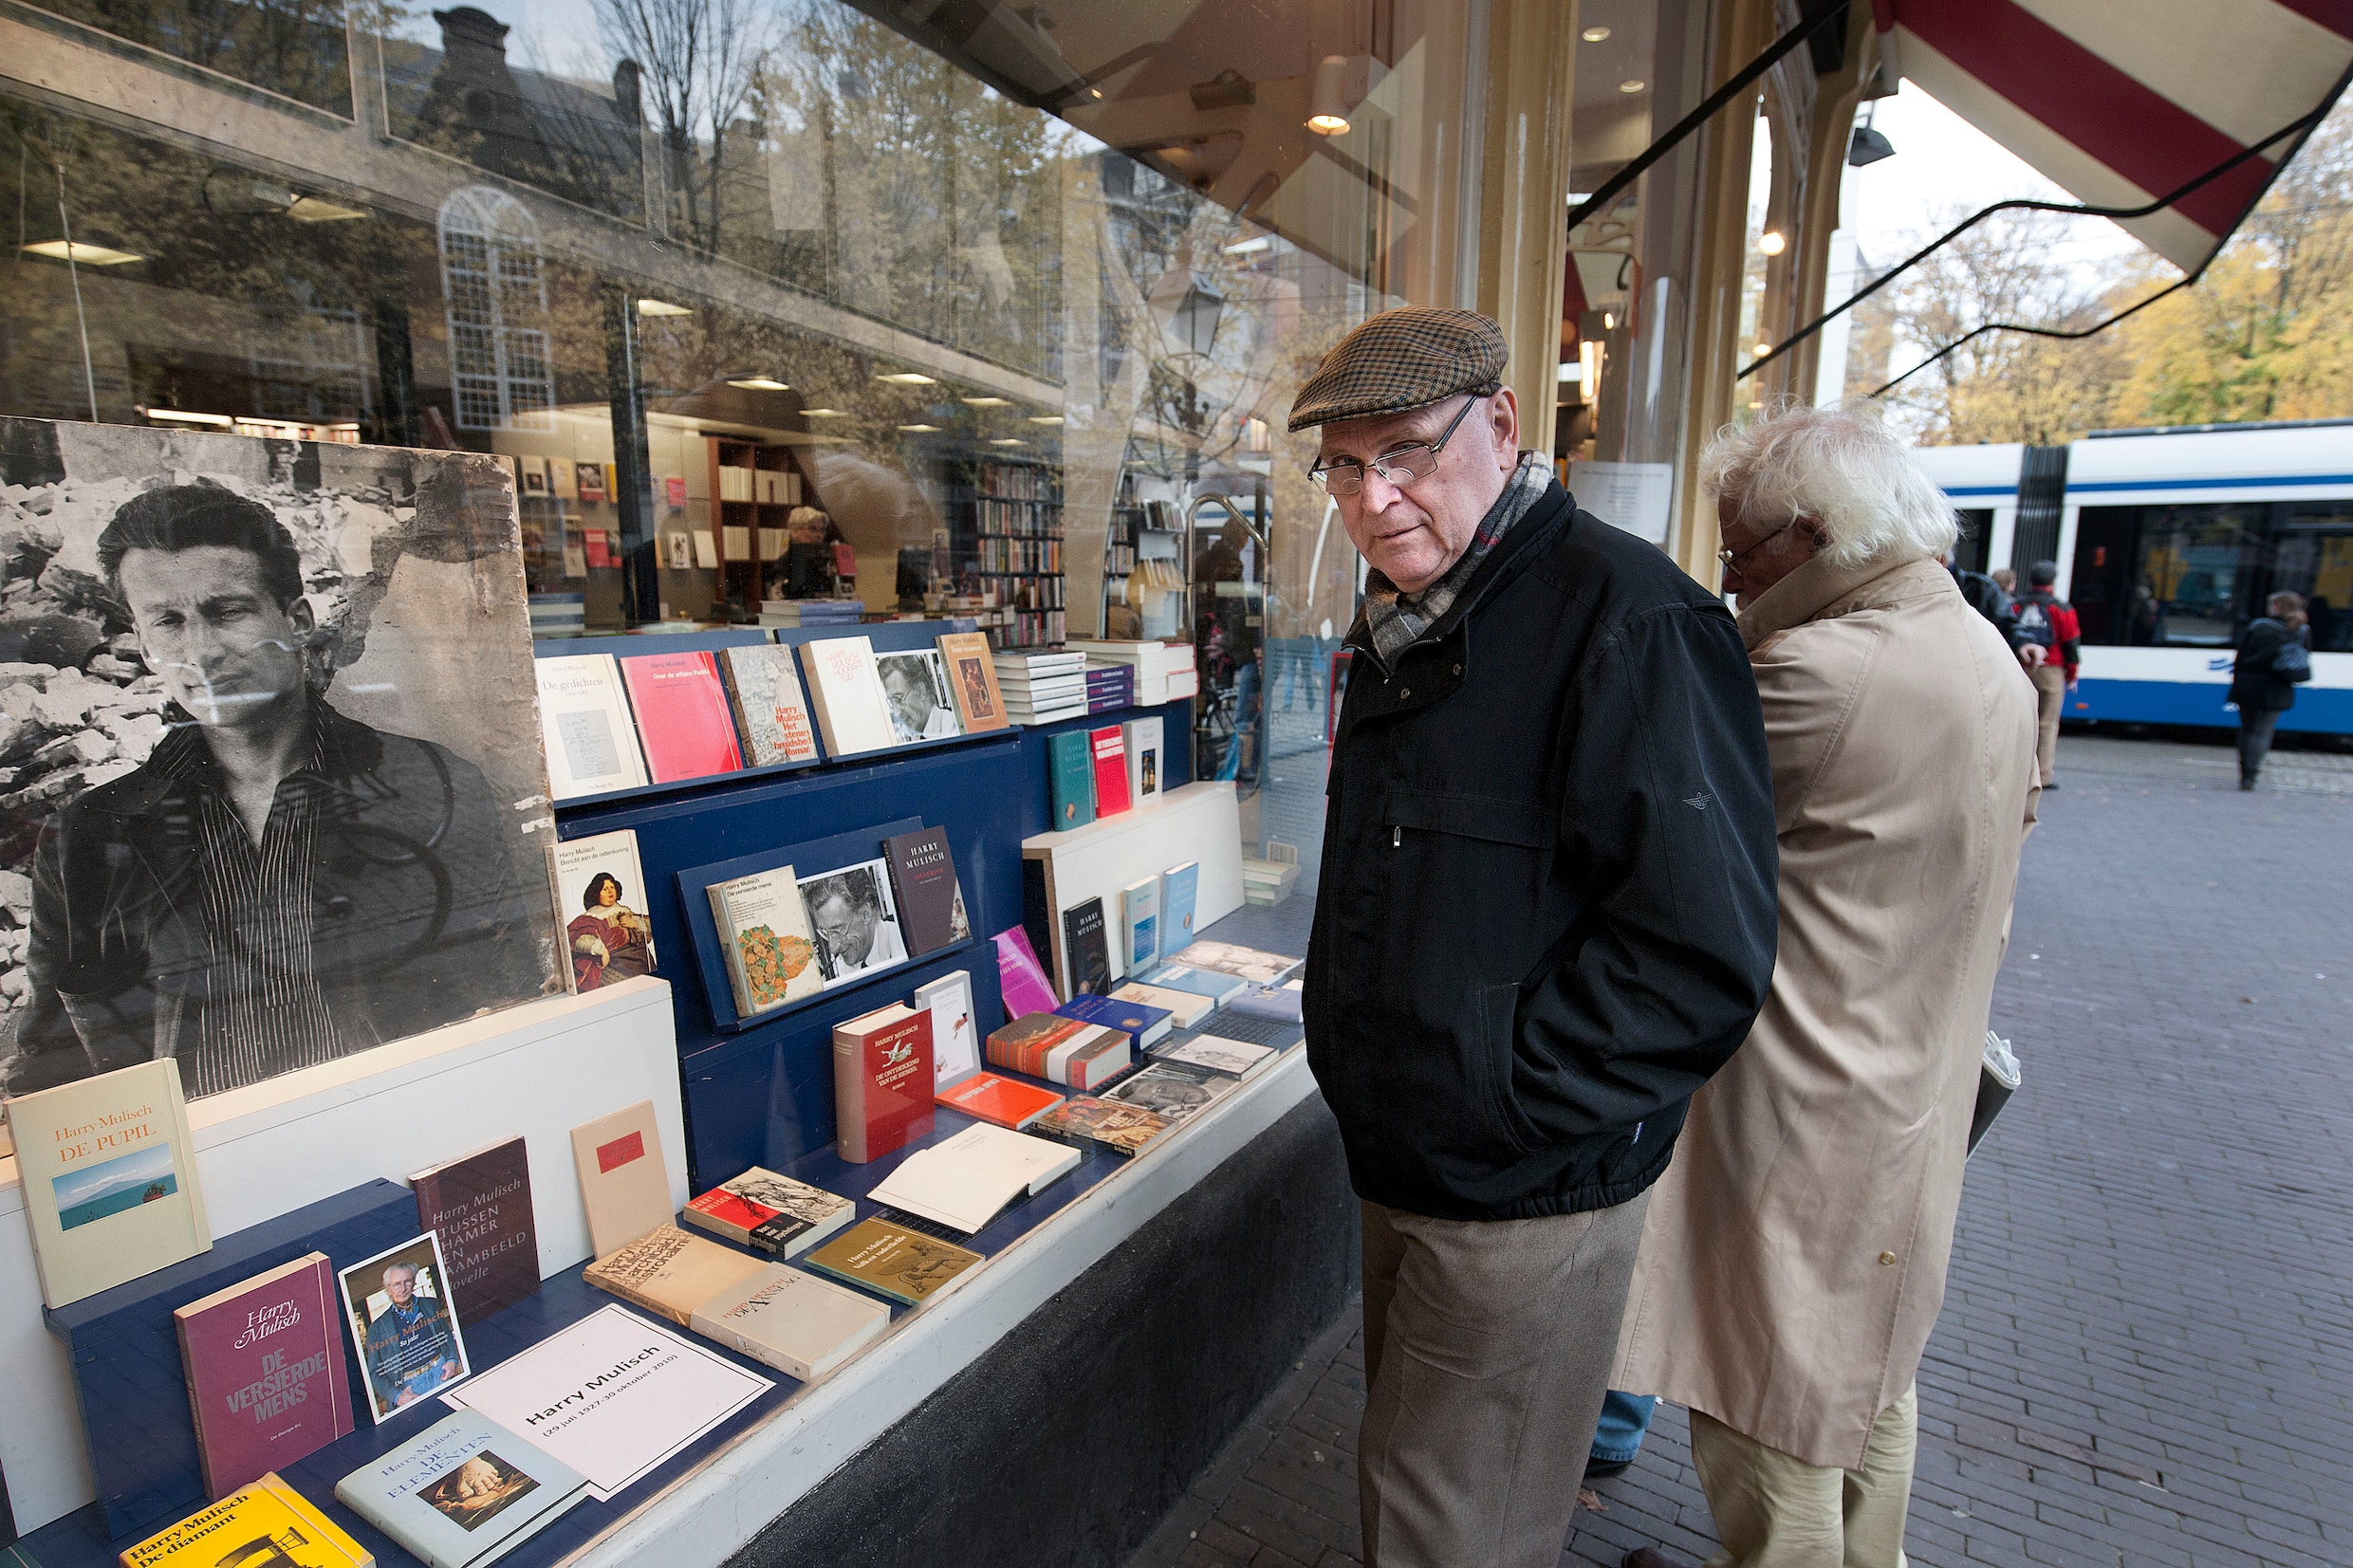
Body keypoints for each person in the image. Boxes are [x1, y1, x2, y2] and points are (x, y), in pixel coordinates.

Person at [1293, 307, 1779, 1568]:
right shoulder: (1421, 613)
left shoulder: (1630, 619)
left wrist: (1500, 1099)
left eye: (1404, 449)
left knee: (1450, 1525)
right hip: (1414, 1156)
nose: (1373, 495)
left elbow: (1699, 957)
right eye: (1344, 465)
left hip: (1518, 1184)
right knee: (1421, 1485)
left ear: (1502, 426)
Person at [1614, 404, 2037, 1568]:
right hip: (1909, 1079)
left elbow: (1636, 837)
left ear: (1808, 536)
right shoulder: (1979, 653)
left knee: (1762, 1399)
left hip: (1801, 1099)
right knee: (1866, 1380)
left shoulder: (1817, 670)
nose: (1730, 583)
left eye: (1738, 556)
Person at [9, 484, 541, 1099]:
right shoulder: (89, 834)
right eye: (169, 621)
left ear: (297, 622)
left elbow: (510, 1008)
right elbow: (50, 1068)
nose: (201, 650)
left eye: (227, 610)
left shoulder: (432, 784)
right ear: (146, 645)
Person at [2231, 591, 2311, 789]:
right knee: (2263, 732)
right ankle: (2253, 774)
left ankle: (2244, 773)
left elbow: (2242, 656)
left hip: (2249, 683)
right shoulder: (2302, 630)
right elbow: (2303, 657)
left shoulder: (2259, 627)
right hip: (2278, 686)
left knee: (2247, 730)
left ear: (2278, 607)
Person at [2012, 561, 2082, 789]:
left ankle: (2014, 772)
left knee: (2018, 722)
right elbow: (2071, 644)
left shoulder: (2016, 606)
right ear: (2052, 581)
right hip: (2050, 669)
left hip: (2019, 667)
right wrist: (2072, 674)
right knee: (2046, 724)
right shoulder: (2061, 608)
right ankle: (2041, 776)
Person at [363, 1261, 463, 1414]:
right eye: (396, 1284)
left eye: (407, 1282)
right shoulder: (377, 1328)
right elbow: (374, 1373)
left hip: (441, 1373)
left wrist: (451, 1360)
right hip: (410, 1388)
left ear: (414, 1283)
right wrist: (397, 1396)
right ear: (388, 1290)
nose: (402, 1289)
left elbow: (446, 1335)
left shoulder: (430, 1304)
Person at [806, 869, 906, 981]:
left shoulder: (903, 944)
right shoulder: (849, 959)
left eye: (837, 931)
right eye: (826, 933)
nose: (833, 948)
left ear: (865, 914)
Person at [569, 872, 654, 989]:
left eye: (612, 887)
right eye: (605, 889)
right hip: (616, 965)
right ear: (596, 893)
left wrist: (635, 923)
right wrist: (602, 951)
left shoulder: (624, 911)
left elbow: (649, 929)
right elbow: (580, 939)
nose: (610, 891)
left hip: (642, 961)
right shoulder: (591, 918)